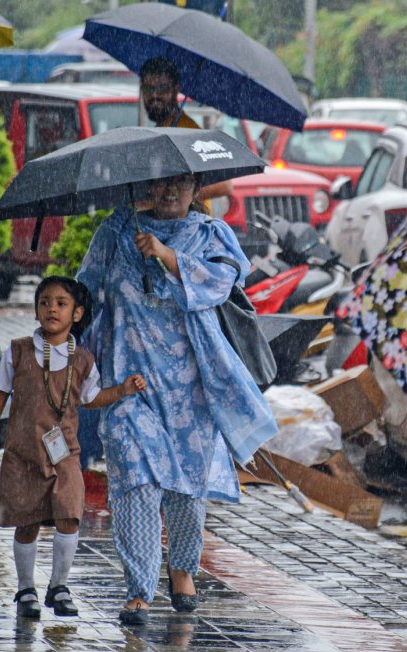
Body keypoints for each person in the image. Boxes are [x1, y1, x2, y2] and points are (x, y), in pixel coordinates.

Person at [76, 172, 277, 625]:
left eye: (181, 184)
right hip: (128, 384)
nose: (170, 192)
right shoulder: (115, 230)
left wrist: (166, 256)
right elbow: (85, 290)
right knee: (134, 479)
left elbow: (219, 284)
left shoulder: (211, 234)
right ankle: (140, 588)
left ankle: (182, 569)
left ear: (197, 189)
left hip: (192, 391)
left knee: (187, 488)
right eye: (161, 182)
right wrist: (65, 339)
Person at [0, 276, 146, 620]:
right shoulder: (19, 351)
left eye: (61, 303)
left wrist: (123, 390)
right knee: (27, 521)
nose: (52, 308)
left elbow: (93, 398)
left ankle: (59, 585)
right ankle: (26, 588)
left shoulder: (82, 359)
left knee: (70, 516)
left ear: (77, 313)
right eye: (45, 302)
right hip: (23, 455)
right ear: (36, 310)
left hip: (65, 455)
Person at [139, 58, 232, 202]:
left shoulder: (187, 131)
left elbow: (224, 185)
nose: (154, 95)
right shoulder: (163, 130)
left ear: (175, 89)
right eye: (148, 89)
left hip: (189, 223)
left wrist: (172, 197)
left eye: (162, 89)